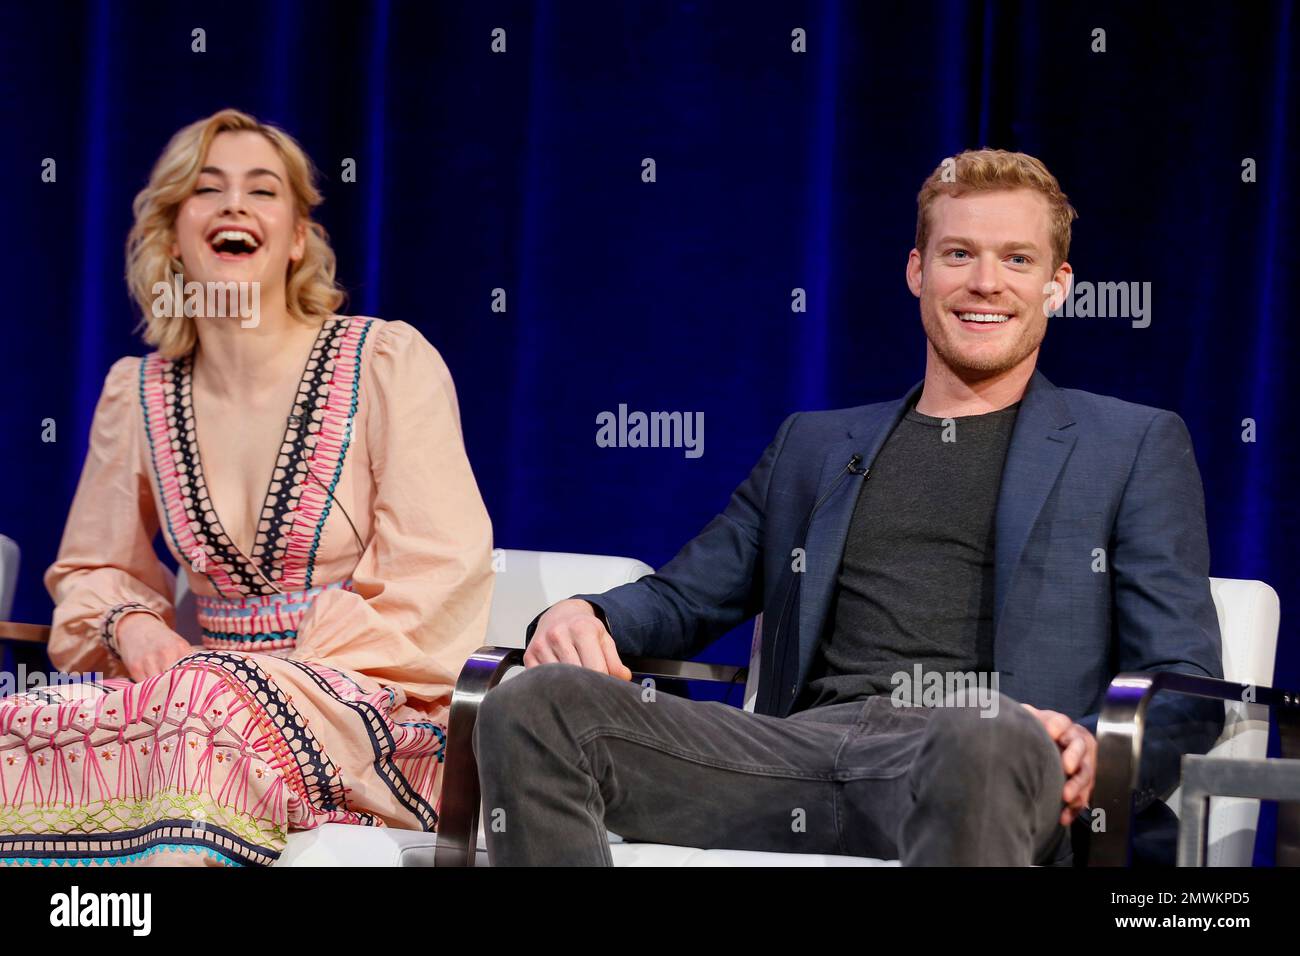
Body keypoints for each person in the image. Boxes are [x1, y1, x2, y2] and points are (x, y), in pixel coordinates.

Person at [474, 149, 1224, 866]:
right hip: (792, 759)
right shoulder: (818, 444)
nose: (986, 282)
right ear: (917, 271)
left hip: (987, 760)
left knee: (984, 734)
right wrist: (585, 614)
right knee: (533, 709)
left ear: (1056, 285)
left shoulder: (1129, 444)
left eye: (1017, 259)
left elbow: (1184, 683)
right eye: (959, 254)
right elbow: (686, 595)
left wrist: (1099, 748)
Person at [0, 109, 494, 866]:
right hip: (204, 702)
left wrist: (262, 678)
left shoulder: (387, 361)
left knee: (203, 707)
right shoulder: (138, 392)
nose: (234, 205)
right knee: (18, 728)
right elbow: (95, 569)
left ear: (296, 238)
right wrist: (135, 628)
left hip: (373, 716)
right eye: (208, 190)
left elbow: (436, 582)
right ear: (173, 236)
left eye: (262, 191)